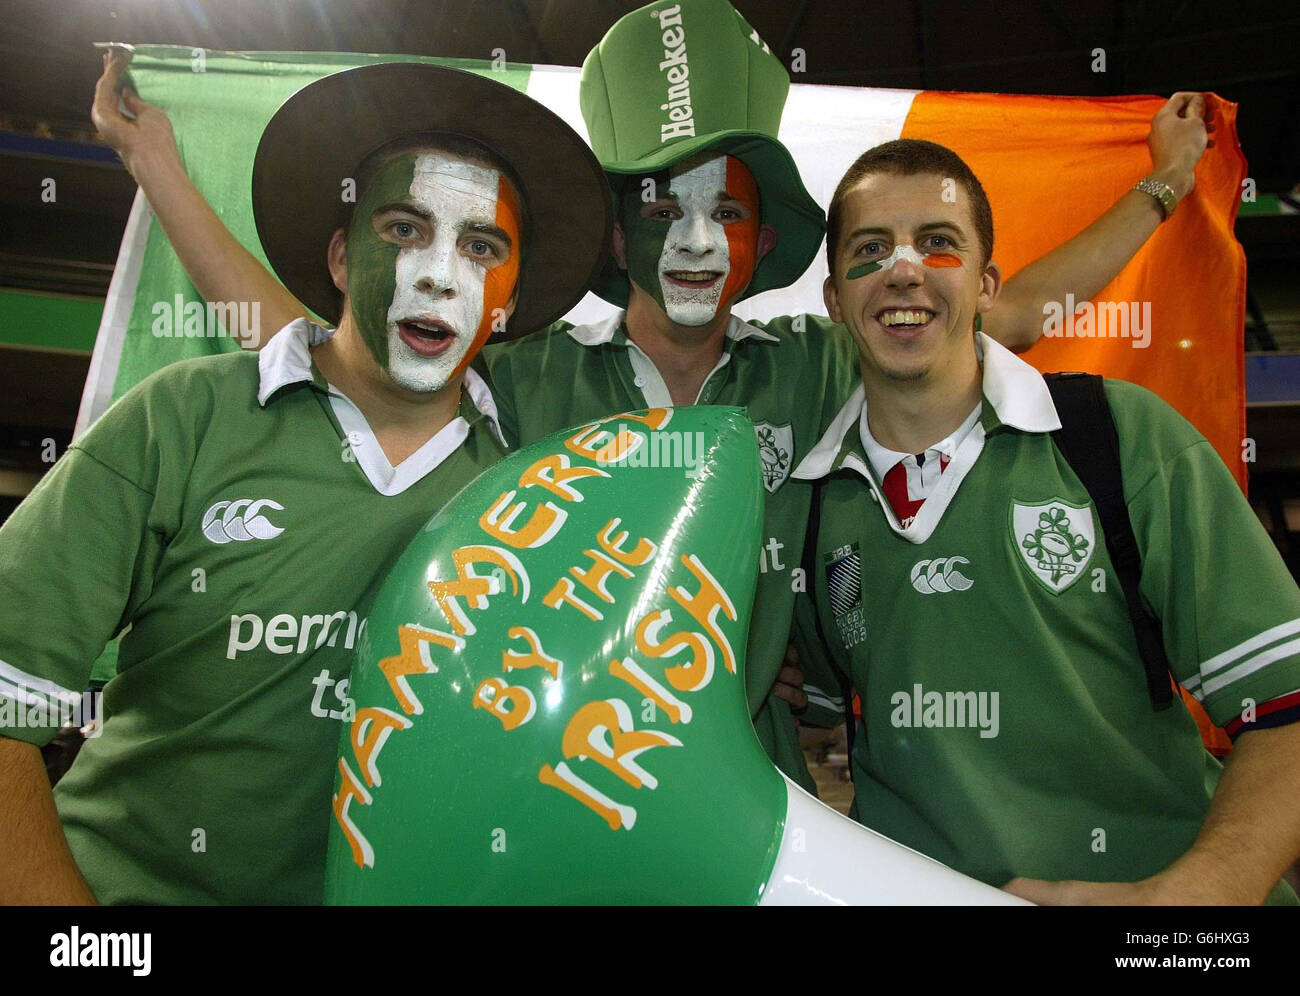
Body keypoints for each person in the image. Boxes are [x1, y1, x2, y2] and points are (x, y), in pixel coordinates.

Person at [87, 0, 1211, 793]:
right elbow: (323, 351)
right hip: (531, 792)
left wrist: (1162, 185)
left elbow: (1003, 321)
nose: (691, 239)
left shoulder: (814, 364)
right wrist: (160, 171)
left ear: (761, 241)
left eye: (722, 212)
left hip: (749, 798)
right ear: (616, 231)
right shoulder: (522, 377)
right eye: (662, 206)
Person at [0, 62, 611, 904]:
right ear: (340, 253)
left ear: (508, 299)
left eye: (481, 246)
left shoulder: (526, 504)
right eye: (403, 228)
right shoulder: (183, 420)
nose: (439, 274)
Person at [792, 137, 1300, 904]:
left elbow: (1287, 705)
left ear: (988, 283)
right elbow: (806, 706)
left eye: (939, 242)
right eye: (871, 248)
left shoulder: (1120, 438)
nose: (904, 269)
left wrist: (1198, 898)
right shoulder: (809, 504)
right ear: (834, 299)